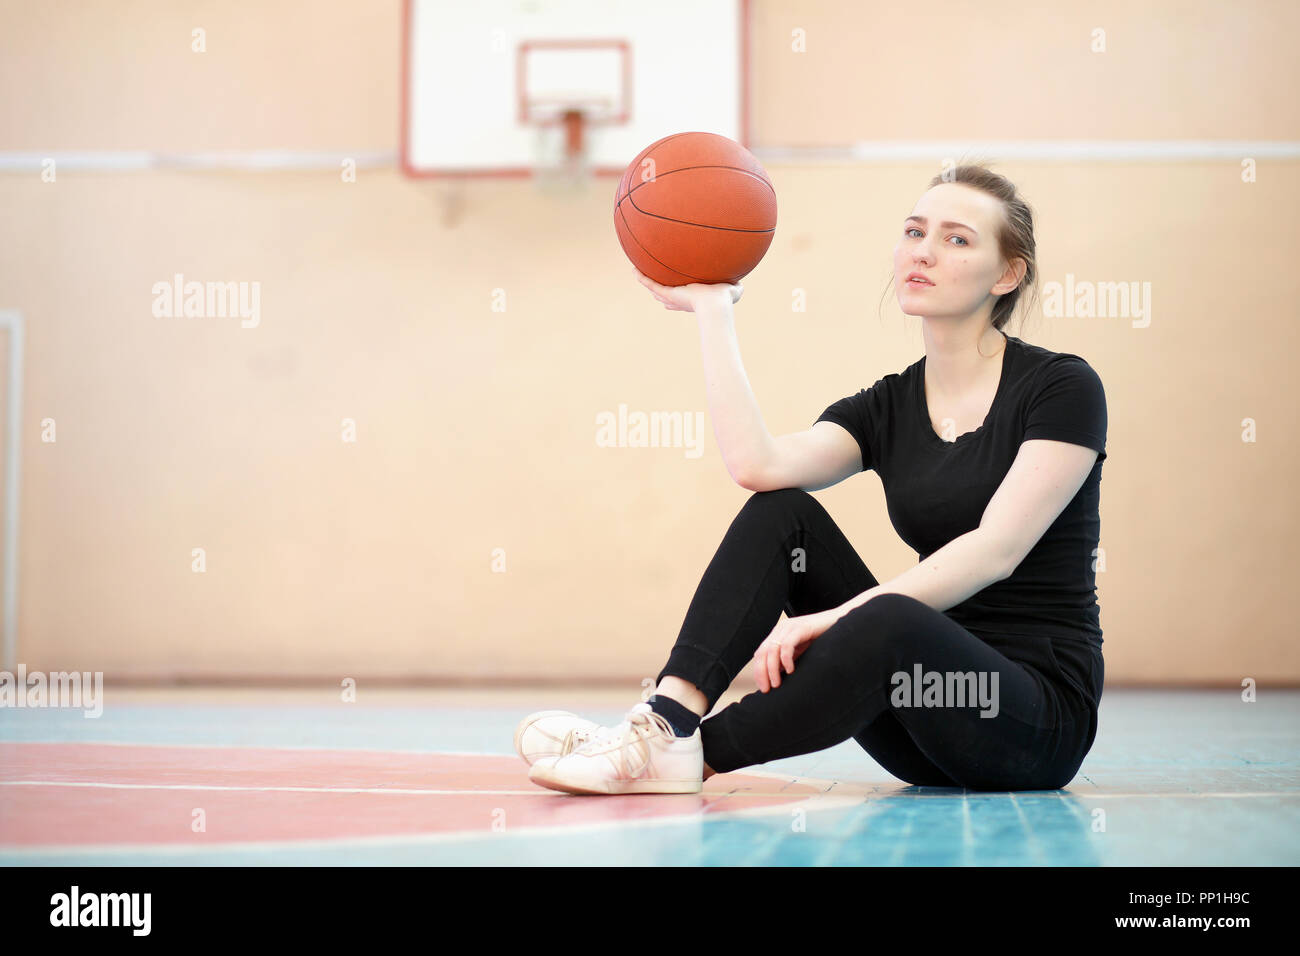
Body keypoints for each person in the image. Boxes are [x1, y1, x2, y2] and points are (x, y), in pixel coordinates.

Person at [517, 164, 1107, 795]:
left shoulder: (1062, 388)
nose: (924, 251)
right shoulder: (889, 405)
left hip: (1029, 722)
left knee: (887, 619)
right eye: (914, 232)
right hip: (918, 724)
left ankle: (683, 756)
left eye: (957, 239)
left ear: (1008, 274)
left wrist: (832, 620)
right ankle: (665, 725)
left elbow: (997, 549)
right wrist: (713, 310)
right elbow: (757, 466)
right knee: (783, 514)